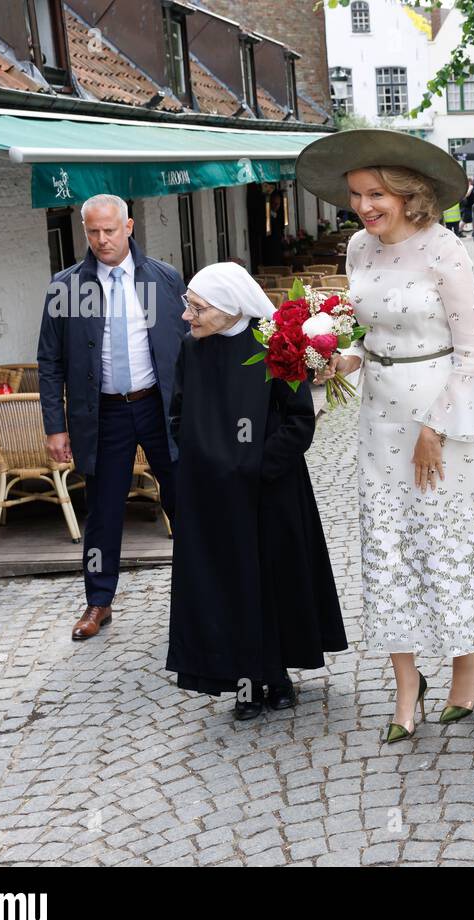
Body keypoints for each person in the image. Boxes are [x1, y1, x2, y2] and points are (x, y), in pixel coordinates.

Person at [296, 128, 474, 743]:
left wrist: (434, 428)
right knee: (389, 543)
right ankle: (406, 685)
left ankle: (466, 664)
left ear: (410, 194)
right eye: (356, 195)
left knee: (446, 539)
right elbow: (369, 340)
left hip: (444, 414)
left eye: (375, 194)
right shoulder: (359, 249)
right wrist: (336, 362)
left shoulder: (445, 250)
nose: (363, 207)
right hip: (379, 417)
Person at [165, 264, 347, 719]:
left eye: (197, 307)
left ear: (229, 308)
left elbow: (298, 419)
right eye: (190, 306)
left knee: (272, 580)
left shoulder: (272, 346)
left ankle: (278, 674)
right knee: (228, 585)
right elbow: (179, 413)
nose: (188, 316)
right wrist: (202, 462)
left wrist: (257, 466)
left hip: (270, 489)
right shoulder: (192, 349)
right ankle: (245, 680)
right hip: (212, 494)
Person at [37, 194, 187, 640]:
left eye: (110, 230)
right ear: (85, 231)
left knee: (183, 499)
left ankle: (201, 588)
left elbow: (189, 347)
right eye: (93, 232)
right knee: (102, 513)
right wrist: (56, 426)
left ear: (130, 227)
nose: (102, 240)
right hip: (102, 415)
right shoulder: (66, 287)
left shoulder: (163, 279)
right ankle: (98, 602)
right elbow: (49, 363)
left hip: (159, 408)